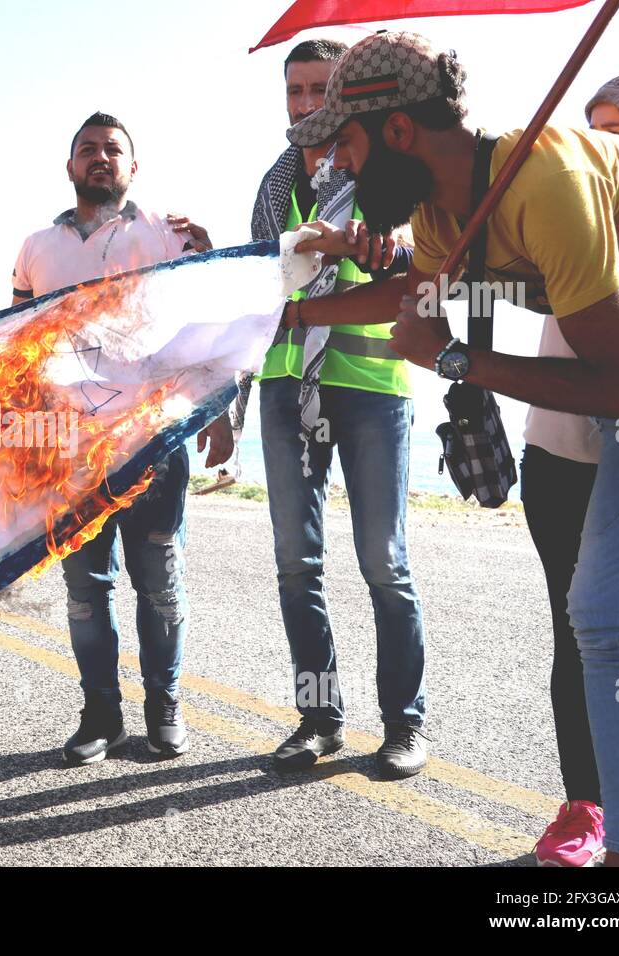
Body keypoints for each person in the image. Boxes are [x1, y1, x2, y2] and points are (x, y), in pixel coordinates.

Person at [287, 31, 619, 866]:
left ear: (396, 133)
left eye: (345, 143)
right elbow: (415, 291)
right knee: (603, 614)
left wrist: (457, 359)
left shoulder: (547, 181)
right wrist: (291, 315)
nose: (339, 168)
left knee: (614, 614)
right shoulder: (441, 205)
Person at [10, 111, 228, 766]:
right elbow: (18, 348)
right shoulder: (35, 248)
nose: (100, 157)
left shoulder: (168, 232)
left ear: (134, 167)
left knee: (160, 583)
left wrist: (218, 414)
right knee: (85, 589)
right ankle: (100, 713)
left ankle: (164, 708)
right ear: (70, 167)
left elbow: (206, 324)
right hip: (70, 450)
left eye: (113, 149)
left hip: (154, 442)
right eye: (88, 150)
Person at [251, 39, 428, 779]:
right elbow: (262, 276)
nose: (305, 103)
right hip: (287, 385)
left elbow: (429, 259)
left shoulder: (390, 173)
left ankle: (405, 726)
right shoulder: (276, 179)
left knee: (384, 563)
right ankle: (319, 720)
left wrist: (373, 247)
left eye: (320, 89)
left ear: (349, 96)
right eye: (295, 90)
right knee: (298, 566)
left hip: (372, 388)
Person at [525, 69, 619, 867]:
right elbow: (487, 270)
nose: (596, 148)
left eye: (617, 133)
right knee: (578, 633)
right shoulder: (565, 204)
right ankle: (586, 807)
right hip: (563, 448)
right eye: (590, 131)